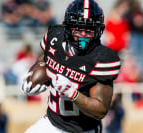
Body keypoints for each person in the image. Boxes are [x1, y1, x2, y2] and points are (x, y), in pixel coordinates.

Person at [21, 0, 121, 132]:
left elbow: (100, 110)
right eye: (79, 29)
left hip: (83, 130)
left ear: (98, 30)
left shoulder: (101, 59)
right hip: (51, 123)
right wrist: (34, 74)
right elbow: (45, 58)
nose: (83, 35)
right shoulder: (54, 38)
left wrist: (72, 93)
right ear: (68, 27)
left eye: (89, 30)